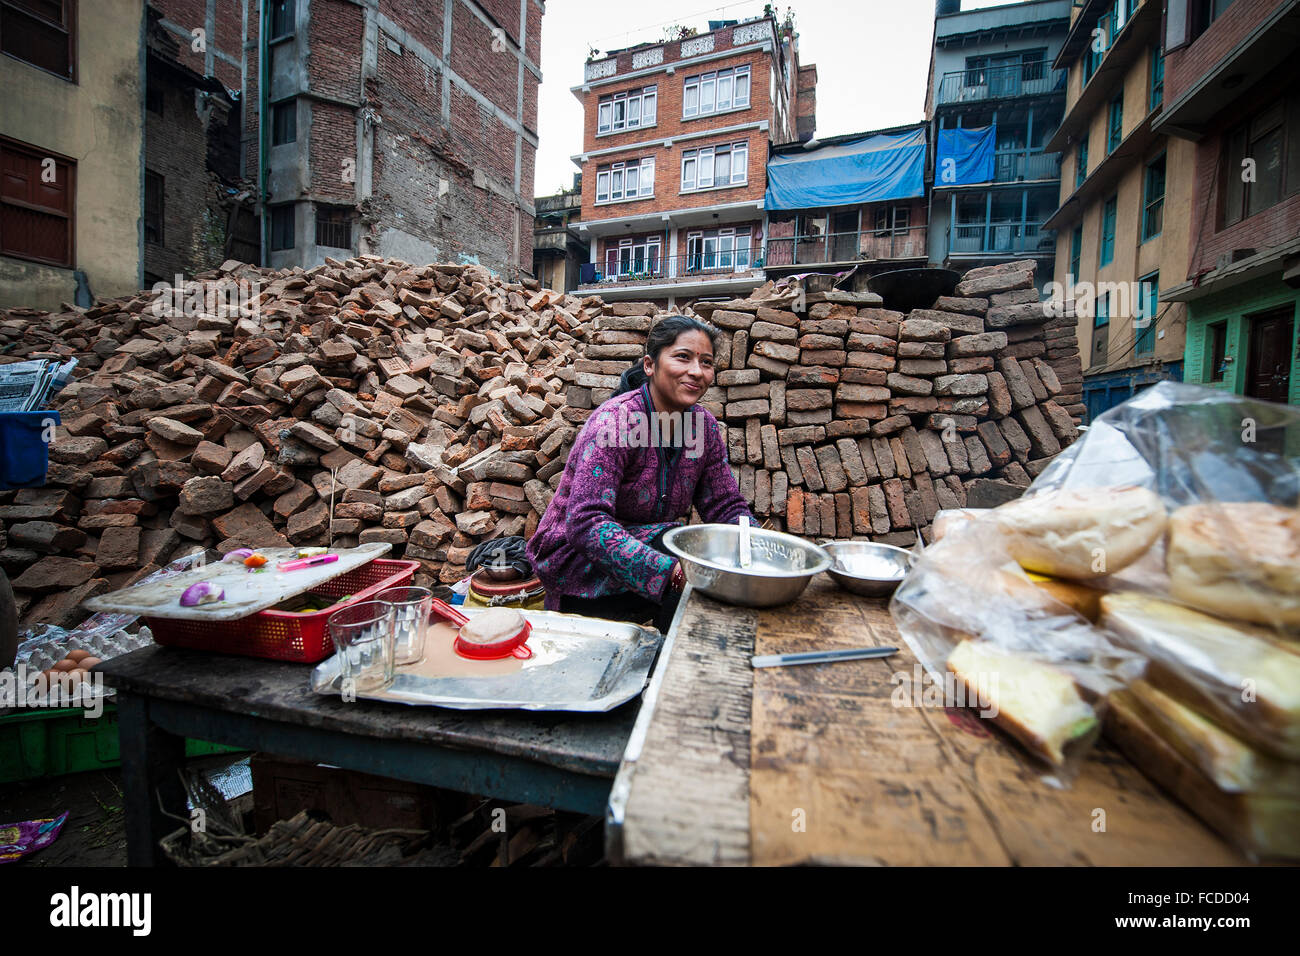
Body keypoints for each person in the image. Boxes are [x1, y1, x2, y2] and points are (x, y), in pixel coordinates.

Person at [526, 315, 755, 632]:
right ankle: (667, 660)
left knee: (703, 559)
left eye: (706, 362)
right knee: (685, 557)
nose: (696, 372)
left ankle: (667, 653)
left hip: (651, 550)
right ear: (650, 365)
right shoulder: (616, 421)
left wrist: (754, 543)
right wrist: (670, 571)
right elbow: (586, 522)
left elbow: (724, 504)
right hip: (575, 560)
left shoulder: (703, 427)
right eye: (682, 357)